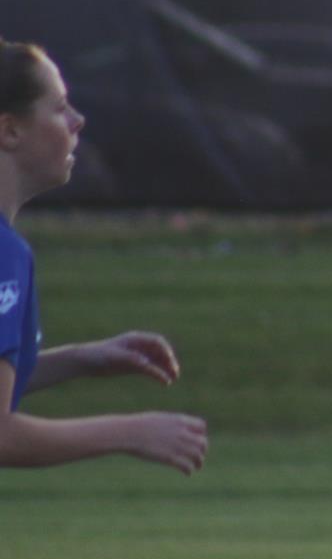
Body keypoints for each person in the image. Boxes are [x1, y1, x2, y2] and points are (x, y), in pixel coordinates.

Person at [0, 38, 207, 475]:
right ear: (10, 130)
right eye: (59, 108)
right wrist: (131, 432)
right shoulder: (4, 254)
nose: (77, 120)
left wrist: (80, 360)